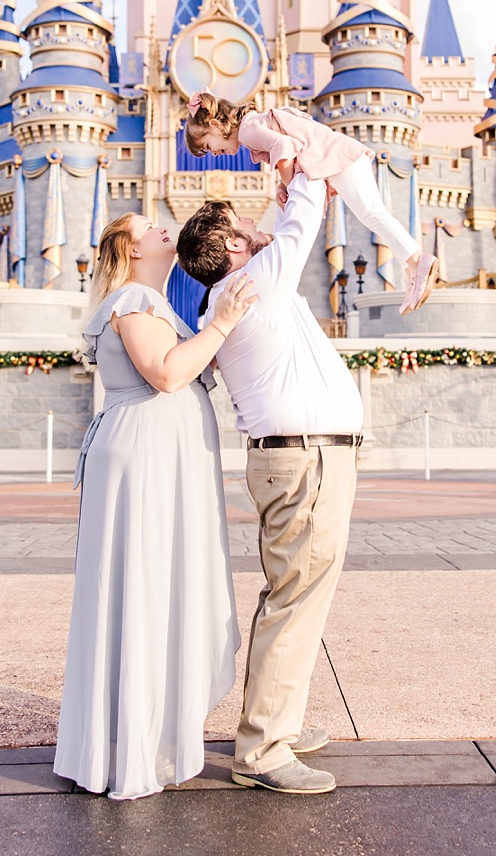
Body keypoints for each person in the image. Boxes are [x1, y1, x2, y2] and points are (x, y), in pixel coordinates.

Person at [54, 212, 258, 800]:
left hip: (158, 456)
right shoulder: (136, 296)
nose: (164, 228)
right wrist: (221, 325)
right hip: (144, 455)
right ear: (128, 246)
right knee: (145, 585)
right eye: (150, 226)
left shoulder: (155, 301)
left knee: (148, 587)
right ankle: (137, 747)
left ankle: (135, 738)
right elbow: (166, 375)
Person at [175, 174, 362, 795]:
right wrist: (304, 165)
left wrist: (285, 195)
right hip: (304, 462)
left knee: (294, 594)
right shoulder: (250, 283)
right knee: (295, 597)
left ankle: (275, 719)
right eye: (242, 224)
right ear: (230, 246)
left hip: (307, 459)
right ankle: (263, 749)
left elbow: (285, 225)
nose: (256, 226)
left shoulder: (248, 286)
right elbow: (300, 222)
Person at [183, 91, 437, 312]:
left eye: (208, 145)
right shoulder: (254, 123)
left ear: (216, 124)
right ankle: (414, 265)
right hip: (335, 157)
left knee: (371, 213)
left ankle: (417, 262)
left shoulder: (248, 129)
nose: (214, 153)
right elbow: (292, 145)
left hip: (337, 157)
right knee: (371, 213)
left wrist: (291, 186)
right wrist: (286, 183)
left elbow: (284, 147)